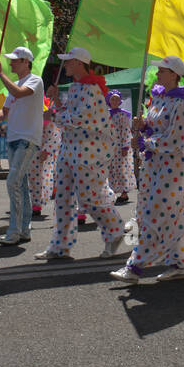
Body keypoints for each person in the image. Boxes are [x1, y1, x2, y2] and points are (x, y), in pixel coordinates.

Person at [110, 56, 184, 283]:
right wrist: (142, 127)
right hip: (155, 169)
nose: (158, 74)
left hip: (175, 172)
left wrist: (146, 143)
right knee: (171, 217)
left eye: (162, 70)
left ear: (174, 75)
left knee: (155, 216)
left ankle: (134, 267)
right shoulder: (159, 98)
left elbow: (176, 140)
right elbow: (155, 128)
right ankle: (180, 264)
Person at [38, 48, 126, 260]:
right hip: (69, 149)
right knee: (62, 199)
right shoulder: (78, 86)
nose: (65, 66)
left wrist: (56, 114)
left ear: (79, 63)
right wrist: (57, 100)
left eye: (68, 62)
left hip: (88, 153)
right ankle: (60, 246)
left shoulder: (92, 89)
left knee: (90, 198)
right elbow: (68, 113)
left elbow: (79, 119)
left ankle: (115, 233)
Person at [0, 46, 44, 246]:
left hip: (27, 139)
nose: (10, 63)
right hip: (12, 139)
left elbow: (18, 93)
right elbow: (5, 113)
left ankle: (14, 230)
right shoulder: (15, 84)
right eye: (10, 60)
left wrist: (0, 73)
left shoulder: (35, 80)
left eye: (14, 60)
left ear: (26, 62)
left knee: (12, 182)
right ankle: (24, 229)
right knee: (20, 184)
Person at [31, 85, 62, 217]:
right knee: (32, 178)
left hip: (46, 152)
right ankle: (34, 203)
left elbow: (56, 135)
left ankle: (39, 202)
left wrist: (47, 150)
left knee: (44, 177)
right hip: (33, 150)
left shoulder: (52, 111)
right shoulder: (32, 111)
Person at [105, 91, 135, 206]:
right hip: (107, 148)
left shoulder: (123, 114)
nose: (115, 101)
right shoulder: (105, 114)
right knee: (109, 170)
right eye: (112, 99)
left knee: (121, 169)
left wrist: (125, 146)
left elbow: (126, 131)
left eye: (117, 99)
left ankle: (124, 192)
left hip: (119, 146)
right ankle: (111, 192)